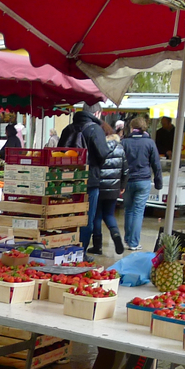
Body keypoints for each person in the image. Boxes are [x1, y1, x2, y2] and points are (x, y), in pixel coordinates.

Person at [58, 102, 111, 256]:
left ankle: (65, 247)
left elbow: (60, 153)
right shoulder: (95, 129)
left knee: (68, 214)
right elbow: (103, 154)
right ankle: (80, 251)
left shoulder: (68, 129)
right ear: (97, 114)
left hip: (68, 180)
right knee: (86, 216)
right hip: (90, 181)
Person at [120, 116, 163, 251]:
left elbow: (120, 163)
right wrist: (158, 182)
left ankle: (128, 239)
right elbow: (156, 164)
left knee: (128, 210)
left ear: (132, 128)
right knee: (138, 211)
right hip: (143, 181)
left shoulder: (124, 142)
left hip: (127, 181)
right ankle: (133, 242)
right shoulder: (150, 143)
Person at [87, 121, 125, 256]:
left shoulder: (98, 147)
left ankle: (97, 246)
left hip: (99, 185)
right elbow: (125, 169)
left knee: (97, 216)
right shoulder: (120, 147)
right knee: (109, 214)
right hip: (114, 187)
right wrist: (122, 186)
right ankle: (116, 236)